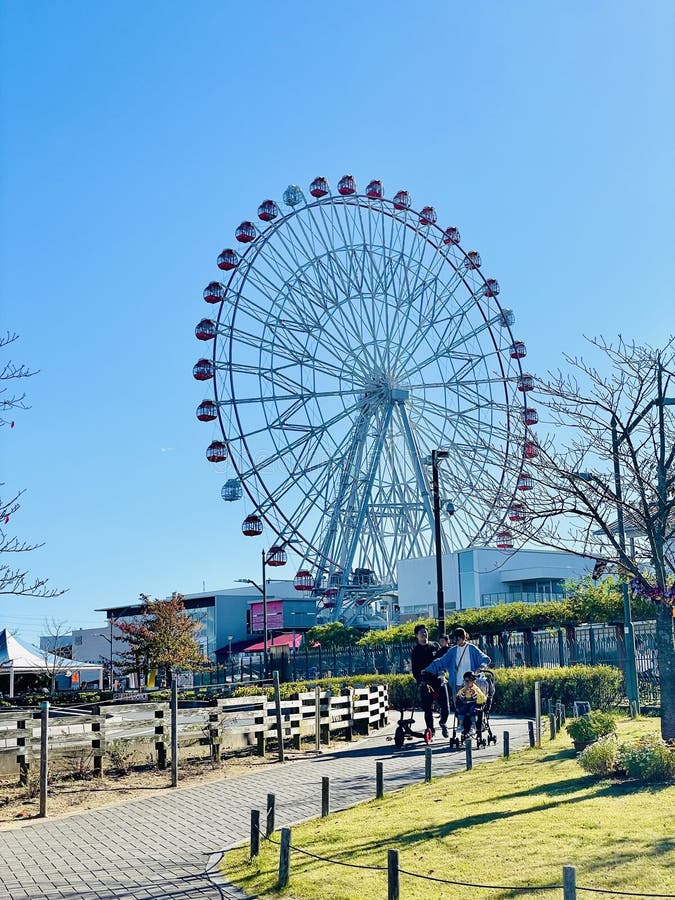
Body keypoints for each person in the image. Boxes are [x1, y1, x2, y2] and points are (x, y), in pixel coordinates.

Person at [422, 627, 491, 702]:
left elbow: (485, 659)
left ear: (463, 637)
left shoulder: (472, 648)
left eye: (458, 639)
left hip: (471, 684)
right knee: (459, 708)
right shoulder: (453, 651)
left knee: (471, 707)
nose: (457, 641)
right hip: (457, 683)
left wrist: (481, 667)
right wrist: (427, 669)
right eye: (455, 639)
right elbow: (441, 662)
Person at [410, 625, 449, 739]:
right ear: (417, 636)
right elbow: (415, 670)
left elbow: (443, 660)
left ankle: (443, 722)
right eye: (421, 633)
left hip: (438, 679)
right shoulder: (415, 652)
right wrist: (420, 680)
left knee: (445, 706)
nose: (424, 634)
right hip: (425, 682)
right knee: (427, 709)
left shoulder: (435, 646)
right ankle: (430, 730)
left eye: (425, 632)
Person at [455, 670, 487, 738]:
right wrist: (462, 694)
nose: (466, 683)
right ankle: (461, 725)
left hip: (474, 704)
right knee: (461, 710)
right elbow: (459, 696)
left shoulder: (476, 689)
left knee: (472, 710)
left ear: (473, 681)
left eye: (468, 681)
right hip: (466, 704)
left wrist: (474, 693)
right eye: (465, 681)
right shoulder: (463, 689)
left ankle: (473, 725)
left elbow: (482, 698)